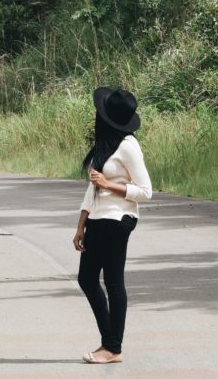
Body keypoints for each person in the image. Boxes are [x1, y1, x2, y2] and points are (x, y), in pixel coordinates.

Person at [74, 87, 152, 365]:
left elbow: (146, 191)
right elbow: (93, 186)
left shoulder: (128, 146)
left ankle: (112, 347)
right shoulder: (106, 142)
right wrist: (81, 223)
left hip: (119, 220)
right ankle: (111, 343)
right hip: (97, 219)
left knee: (114, 283)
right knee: (86, 279)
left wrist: (110, 185)